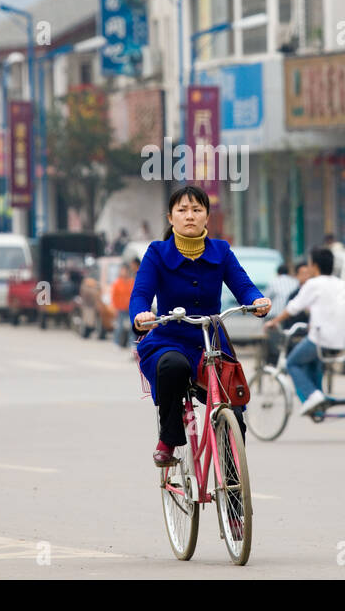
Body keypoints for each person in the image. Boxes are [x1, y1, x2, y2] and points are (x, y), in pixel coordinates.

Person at [130, 185, 270, 476]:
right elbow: (140, 294)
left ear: (207, 216)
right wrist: (141, 314)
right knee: (173, 366)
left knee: (234, 412)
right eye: (182, 210)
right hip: (170, 339)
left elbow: (242, 284)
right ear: (171, 217)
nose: (190, 216)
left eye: (197, 210)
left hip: (211, 340)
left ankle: (233, 492)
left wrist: (255, 300)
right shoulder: (157, 253)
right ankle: (169, 439)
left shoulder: (221, 251)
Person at [265, 247, 345, 415]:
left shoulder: (313, 284)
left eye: (310, 264)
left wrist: (273, 322)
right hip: (340, 340)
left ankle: (313, 395)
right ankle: (318, 405)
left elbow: (293, 308)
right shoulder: (342, 284)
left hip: (320, 338)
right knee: (314, 363)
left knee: (291, 363)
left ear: (315, 266)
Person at [262, 259, 311, 368]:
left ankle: (274, 358)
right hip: (291, 324)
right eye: (303, 274)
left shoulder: (274, 282)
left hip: (306, 330)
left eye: (308, 274)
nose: (306, 277)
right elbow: (291, 309)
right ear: (296, 276)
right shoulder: (295, 291)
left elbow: (266, 299)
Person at [112, 257, 138, 348]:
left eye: (125, 270)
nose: (124, 272)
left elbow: (133, 294)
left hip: (129, 308)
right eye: (122, 270)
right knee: (119, 326)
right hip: (120, 308)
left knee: (132, 327)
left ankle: (131, 343)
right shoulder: (117, 283)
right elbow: (114, 296)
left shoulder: (131, 282)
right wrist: (116, 307)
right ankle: (116, 342)